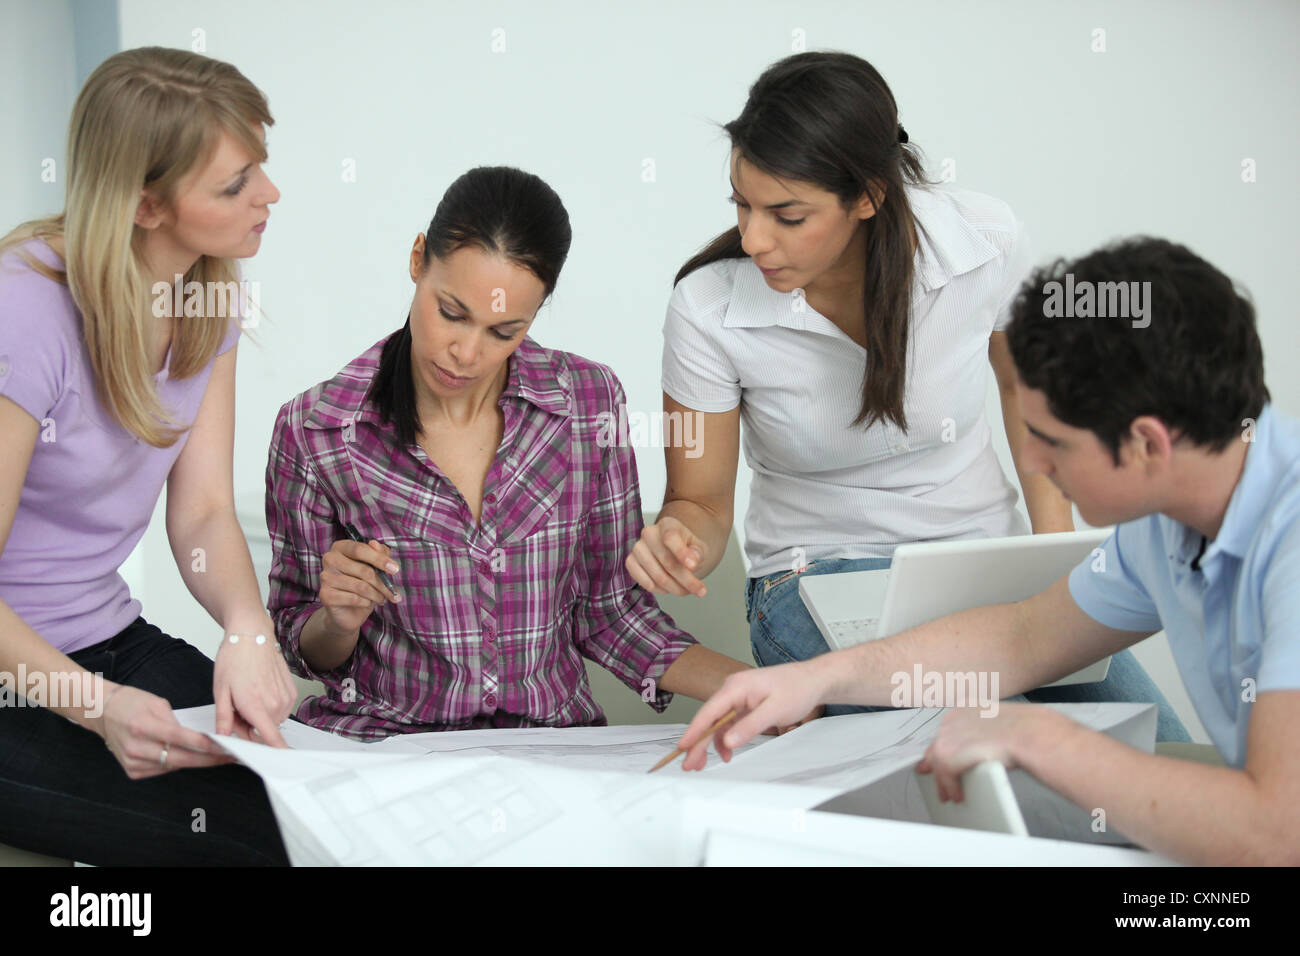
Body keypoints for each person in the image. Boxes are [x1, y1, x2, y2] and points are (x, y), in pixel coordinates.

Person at [674, 237, 1300, 865]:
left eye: (1051, 440)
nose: (1028, 461)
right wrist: (814, 677)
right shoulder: (1169, 526)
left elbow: (1276, 832)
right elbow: (1023, 637)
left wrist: (1042, 738)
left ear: (1147, 445)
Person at [625, 50, 1187, 738]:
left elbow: (1028, 399)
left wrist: (1053, 562)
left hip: (983, 564)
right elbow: (703, 504)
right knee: (996, 748)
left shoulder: (981, 242)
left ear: (868, 195)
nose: (753, 238)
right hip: (813, 583)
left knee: (1161, 750)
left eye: (787, 215)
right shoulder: (708, 307)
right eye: (742, 205)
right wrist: (681, 539)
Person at [266, 166, 811, 739]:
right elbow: (299, 642)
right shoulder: (317, 429)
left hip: (551, 752)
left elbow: (611, 616)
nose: (466, 353)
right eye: (451, 312)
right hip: (387, 748)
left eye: (504, 331)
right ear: (417, 259)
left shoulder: (587, 403)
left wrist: (757, 691)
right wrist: (338, 620)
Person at [0, 47, 294, 865]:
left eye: (260, 167)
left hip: (106, 639)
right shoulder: (23, 312)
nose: (270, 196)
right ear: (145, 205)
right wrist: (96, 709)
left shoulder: (207, 299)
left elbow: (200, 513)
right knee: (251, 841)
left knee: (321, 800)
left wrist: (246, 628)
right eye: (235, 184)